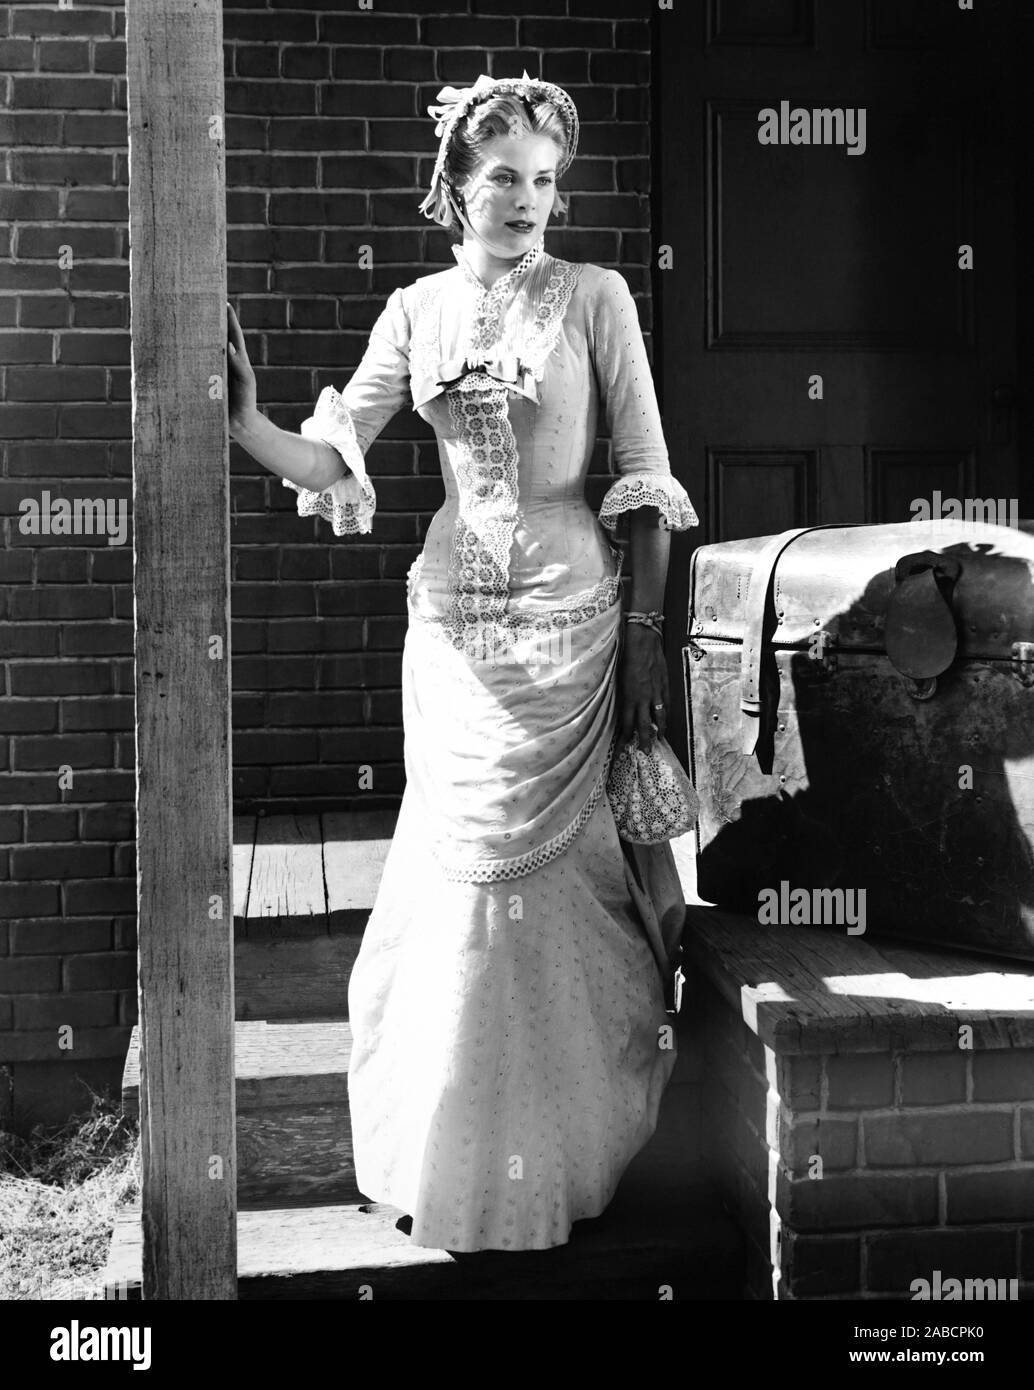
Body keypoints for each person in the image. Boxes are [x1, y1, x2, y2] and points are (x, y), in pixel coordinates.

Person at [226, 72, 699, 1253]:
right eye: (503, 179)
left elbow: (642, 481)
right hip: (451, 631)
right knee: (461, 886)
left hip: (576, 623)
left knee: (557, 892)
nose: (528, 201)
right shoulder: (414, 310)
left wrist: (643, 645)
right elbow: (335, 461)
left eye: (544, 181)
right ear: (455, 187)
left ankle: (572, 1162)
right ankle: (452, 1161)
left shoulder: (595, 299)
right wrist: (243, 423)